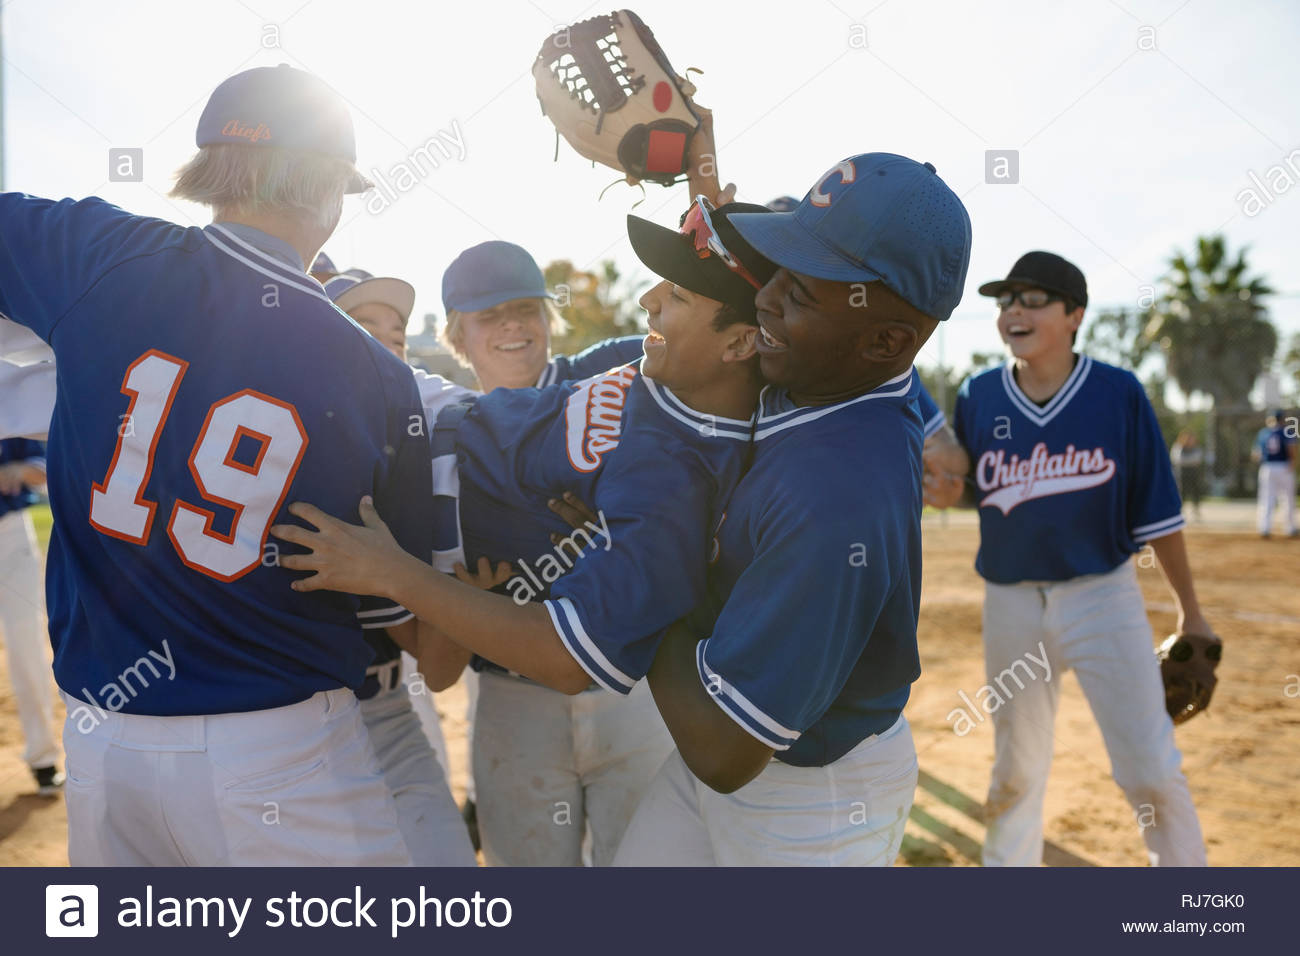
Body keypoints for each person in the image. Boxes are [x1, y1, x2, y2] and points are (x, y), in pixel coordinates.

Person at [0, 64, 433, 866]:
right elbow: (418, 630)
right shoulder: (377, 373)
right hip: (285, 755)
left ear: (210, 167)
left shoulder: (98, 253)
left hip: (106, 744)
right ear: (329, 189)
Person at [271, 199, 775, 866]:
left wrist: (394, 573)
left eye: (525, 308)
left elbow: (730, 317)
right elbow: (726, 279)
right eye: (489, 315)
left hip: (616, 689)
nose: (512, 325)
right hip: (503, 675)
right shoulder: (629, 371)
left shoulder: (647, 421)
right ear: (457, 334)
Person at [594, 152, 972, 865]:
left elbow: (726, 752)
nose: (764, 299)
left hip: (806, 794)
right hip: (730, 724)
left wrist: (641, 582)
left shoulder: (837, 494)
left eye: (796, 291)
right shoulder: (821, 369)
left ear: (887, 340)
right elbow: (728, 269)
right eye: (776, 268)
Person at [935, 250, 1210, 867]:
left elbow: (1159, 515)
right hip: (1011, 601)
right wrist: (952, 489)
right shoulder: (979, 395)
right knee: (1016, 769)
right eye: (1007, 301)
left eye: (1033, 300)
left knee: (1148, 768)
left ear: (1074, 314)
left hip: (1102, 595)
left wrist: (1191, 613)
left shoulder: (1116, 393)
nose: (1014, 312)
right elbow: (983, 490)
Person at [321, 272, 475, 866]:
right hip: (292, 728)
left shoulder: (414, 467)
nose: (388, 346)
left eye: (399, 337)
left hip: (387, 711)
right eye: (366, 329)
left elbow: (434, 668)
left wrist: (456, 587)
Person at [0, 439, 63, 795]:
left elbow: (45, 468)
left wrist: (16, 470)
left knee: (27, 651)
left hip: (9, 533)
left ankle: (42, 758)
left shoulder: (7, 397)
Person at [1252, 409, 1296, 538]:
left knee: (1266, 498)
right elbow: (1291, 449)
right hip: (1284, 466)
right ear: (1282, 419)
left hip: (1267, 467)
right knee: (1287, 498)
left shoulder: (1263, 433)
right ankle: (1290, 528)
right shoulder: (1287, 432)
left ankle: (1264, 528)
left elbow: (1255, 454)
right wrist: (1293, 463)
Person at [1170, 429, 1205, 520]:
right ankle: (1180, 511)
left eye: (1191, 438)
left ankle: (1196, 510)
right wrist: (1190, 461)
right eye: (1188, 438)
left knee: (1195, 492)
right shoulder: (1178, 447)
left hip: (1193, 473)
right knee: (1182, 492)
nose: (1190, 440)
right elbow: (1177, 459)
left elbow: (1197, 459)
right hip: (1182, 473)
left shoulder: (1196, 448)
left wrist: (1186, 461)